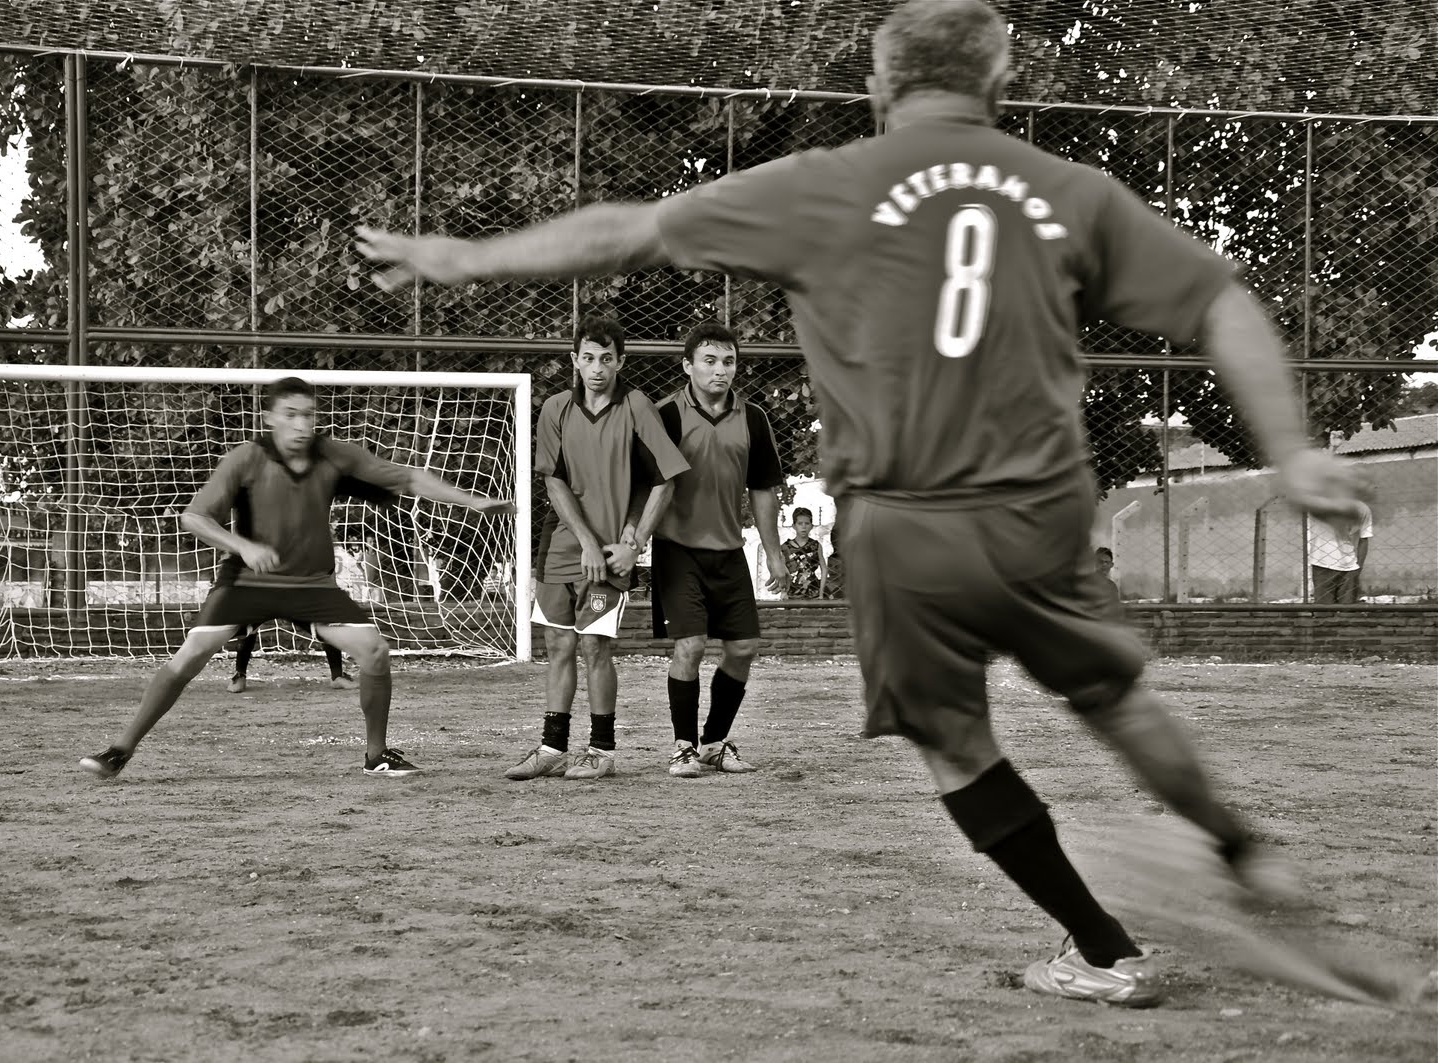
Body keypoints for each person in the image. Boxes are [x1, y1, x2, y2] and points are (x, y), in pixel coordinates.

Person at [354, 0, 1372, 1006]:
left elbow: (632, 231)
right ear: (1000, 84)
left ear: (880, 87)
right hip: (1043, 508)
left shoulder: (827, 185)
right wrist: (1287, 452)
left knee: (957, 742)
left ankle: (1103, 949)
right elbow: (1218, 299)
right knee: (1113, 698)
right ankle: (1242, 851)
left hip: (907, 521)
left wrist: (470, 255)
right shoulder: (1069, 189)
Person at [79, 377, 511, 781]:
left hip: (312, 586)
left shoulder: (335, 453)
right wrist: (242, 546)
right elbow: (194, 516)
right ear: (269, 417)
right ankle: (120, 750)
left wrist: (471, 501)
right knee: (191, 655)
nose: (302, 424)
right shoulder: (247, 458)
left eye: (308, 414)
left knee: (375, 653)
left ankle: (376, 756)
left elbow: (408, 477)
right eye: (290, 414)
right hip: (248, 581)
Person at [506, 316, 689, 782]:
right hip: (562, 545)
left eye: (607, 358)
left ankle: (602, 751)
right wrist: (584, 540)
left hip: (612, 553)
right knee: (558, 643)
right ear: (574, 360)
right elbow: (553, 480)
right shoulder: (556, 408)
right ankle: (552, 748)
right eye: (588, 358)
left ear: (620, 361)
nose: (597, 367)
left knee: (594, 646)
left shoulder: (636, 406)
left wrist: (634, 543)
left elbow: (666, 478)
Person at [649, 320, 789, 777]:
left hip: (728, 551)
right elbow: (644, 484)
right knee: (689, 645)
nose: (720, 370)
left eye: (728, 361)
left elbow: (763, 489)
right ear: (688, 365)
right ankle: (683, 746)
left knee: (744, 646)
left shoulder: (752, 417)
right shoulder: (665, 414)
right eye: (709, 361)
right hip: (677, 549)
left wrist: (773, 551)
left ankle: (714, 742)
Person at [226, 477, 396, 693]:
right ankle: (239, 674)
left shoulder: (303, 523)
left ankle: (337, 675)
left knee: (326, 624)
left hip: (295, 588)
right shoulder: (255, 524)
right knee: (245, 627)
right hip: (262, 586)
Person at [1308, 501, 1372, 603]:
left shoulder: (1362, 509)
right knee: (1323, 613)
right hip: (1321, 565)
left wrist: (1358, 567)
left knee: (1347, 613)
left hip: (1349, 567)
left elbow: (1364, 539)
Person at [781, 507, 826, 599]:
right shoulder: (785, 548)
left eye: (807, 523)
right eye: (800, 523)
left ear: (812, 526)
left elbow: (824, 570)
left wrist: (821, 594)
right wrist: (783, 592)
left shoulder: (815, 546)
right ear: (794, 526)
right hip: (792, 594)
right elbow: (781, 571)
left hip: (813, 593)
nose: (803, 527)